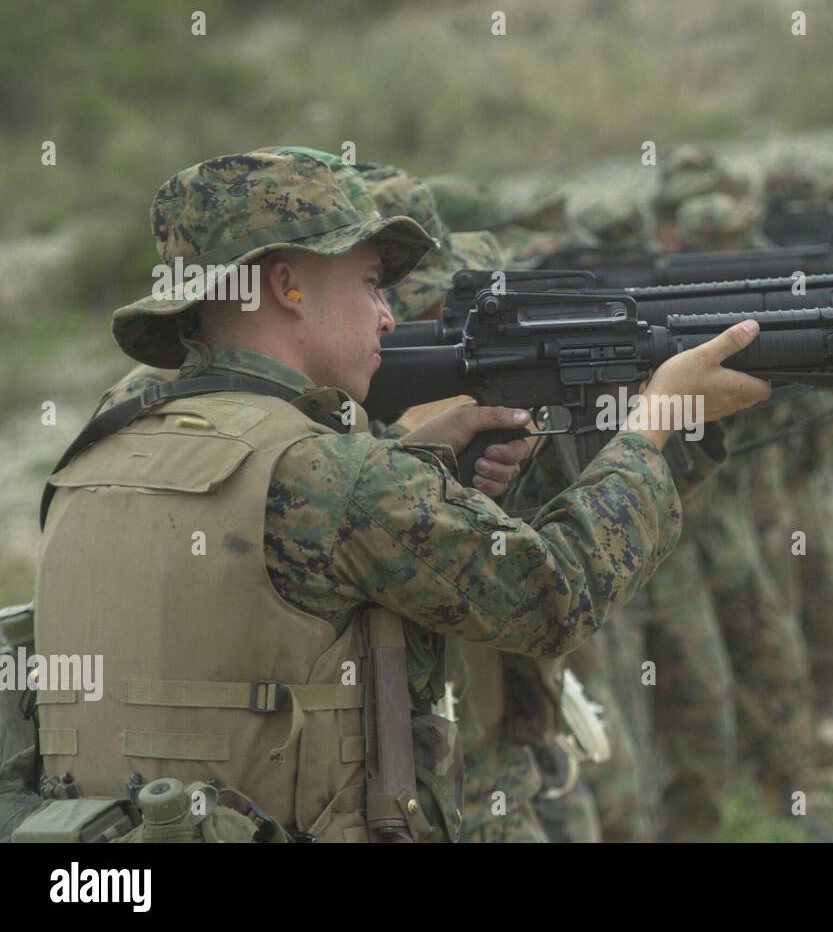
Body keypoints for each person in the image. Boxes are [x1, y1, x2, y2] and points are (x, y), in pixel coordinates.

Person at [31, 149, 770, 842]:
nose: (387, 315)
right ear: (288, 286)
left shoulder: (102, 445)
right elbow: (553, 596)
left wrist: (410, 460)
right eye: (369, 283)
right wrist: (654, 425)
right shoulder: (336, 475)